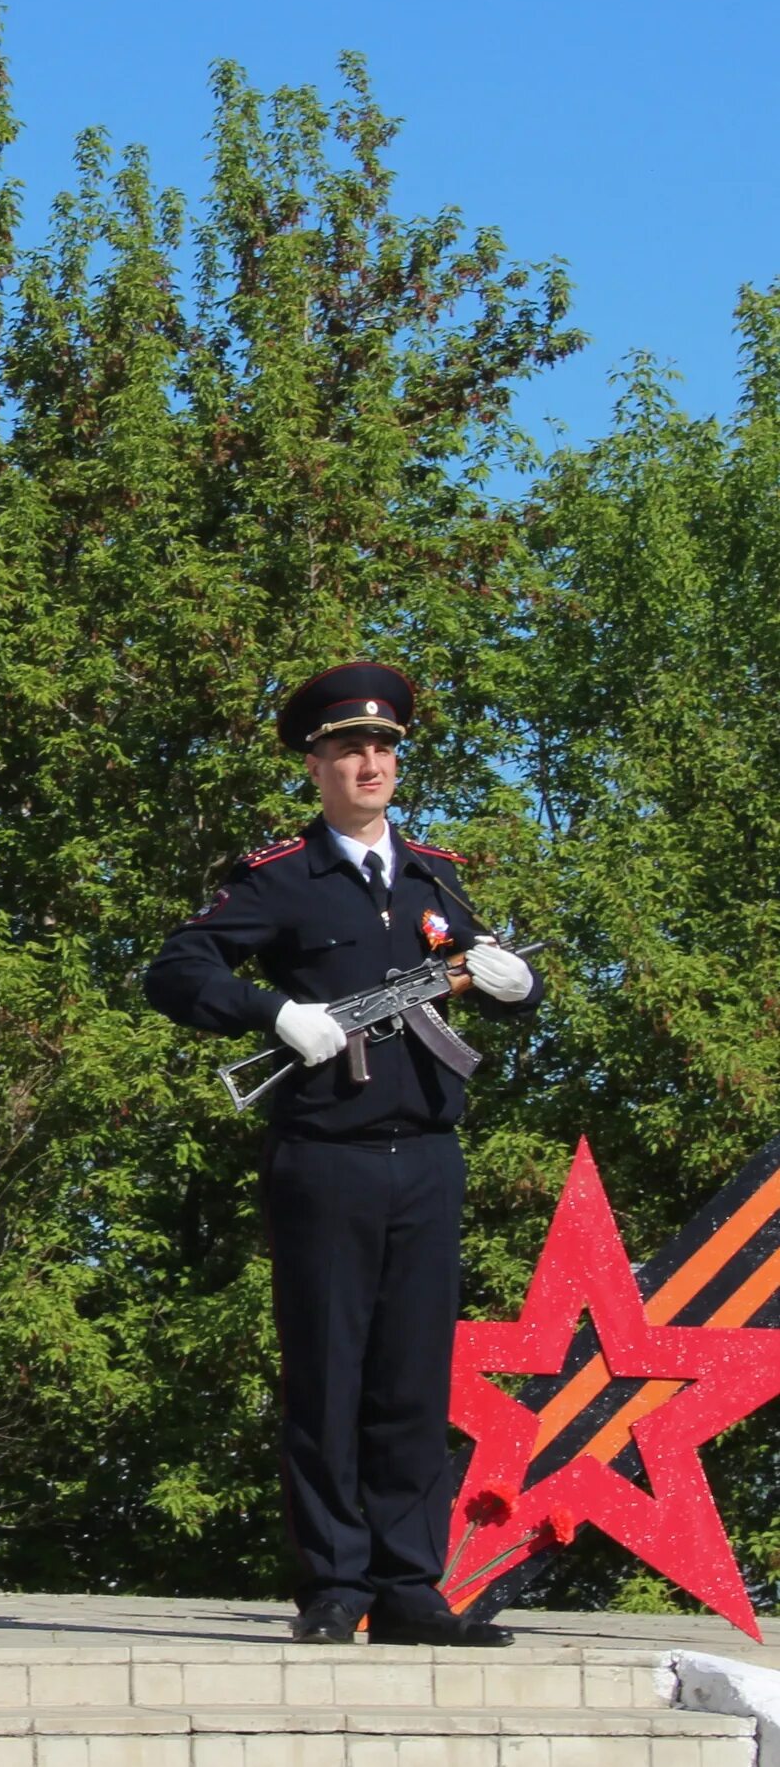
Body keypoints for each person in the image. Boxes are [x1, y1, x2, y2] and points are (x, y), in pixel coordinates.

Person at [146, 663, 540, 1648]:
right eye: (351, 747)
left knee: (413, 1375)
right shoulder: (283, 878)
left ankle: (411, 1581)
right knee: (327, 1370)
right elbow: (177, 969)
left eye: (385, 747)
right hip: (325, 1154)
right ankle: (334, 1582)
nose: (372, 761)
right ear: (316, 762)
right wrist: (275, 1008)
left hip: (427, 1156)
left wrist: (515, 985)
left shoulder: (432, 874)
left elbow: (485, 971)